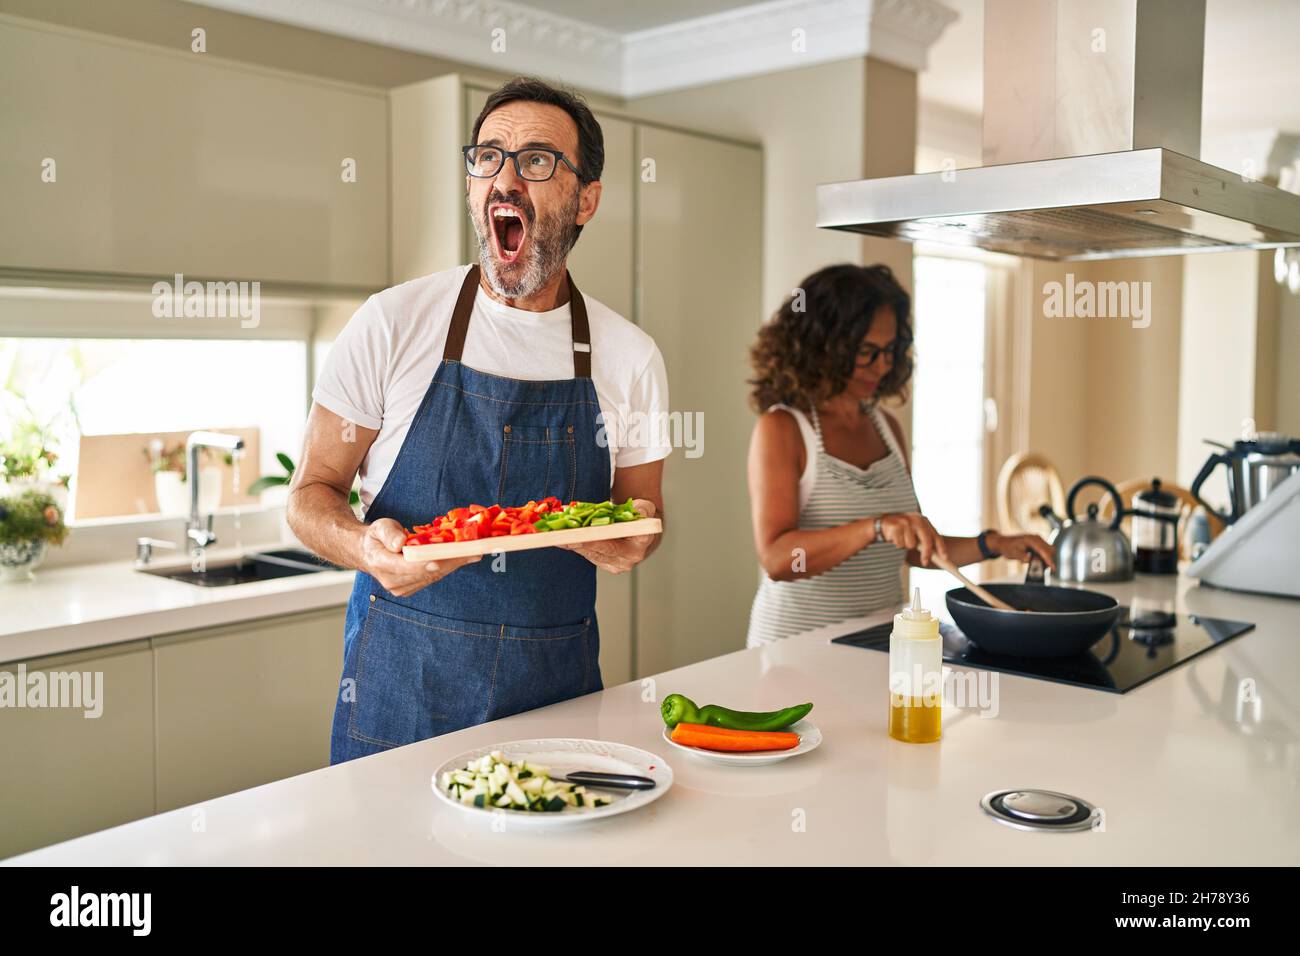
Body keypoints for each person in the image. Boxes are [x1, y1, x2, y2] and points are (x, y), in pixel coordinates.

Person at [288, 77, 669, 763]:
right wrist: (363, 548)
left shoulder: (630, 358)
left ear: (586, 200)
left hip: (556, 696)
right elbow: (310, 494)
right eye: (487, 157)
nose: (505, 178)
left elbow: (641, 512)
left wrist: (627, 538)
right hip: (401, 695)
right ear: (471, 187)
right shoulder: (392, 323)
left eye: (537, 160)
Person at [744, 263, 1053, 646]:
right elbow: (778, 559)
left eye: (890, 351)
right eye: (868, 352)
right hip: (795, 647)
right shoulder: (784, 428)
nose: (884, 365)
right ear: (823, 345)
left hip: (876, 640)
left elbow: (915, 548)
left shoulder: (885, 427)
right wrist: (874, 526)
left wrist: (994, 544)